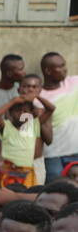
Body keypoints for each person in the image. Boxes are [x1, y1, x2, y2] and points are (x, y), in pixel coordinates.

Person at [0, 74, 54, 189]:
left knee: (33, 193)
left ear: (40, 90)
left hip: (34, 162)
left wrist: (37, 117)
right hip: (14, 163)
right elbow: (9, 134)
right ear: (19, 89)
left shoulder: (42, 111)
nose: (30, 90)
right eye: (26, 86)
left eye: (34, 87)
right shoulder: (11, 110)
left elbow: (48, 140)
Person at [40, 52, 78, 184]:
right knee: (54, 190)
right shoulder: (39, 97)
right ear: (48, 71)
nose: (65, 69)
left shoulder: (74, 83)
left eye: (64, 65)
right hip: (53, 154)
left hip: (76, 151)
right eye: (60, 66)